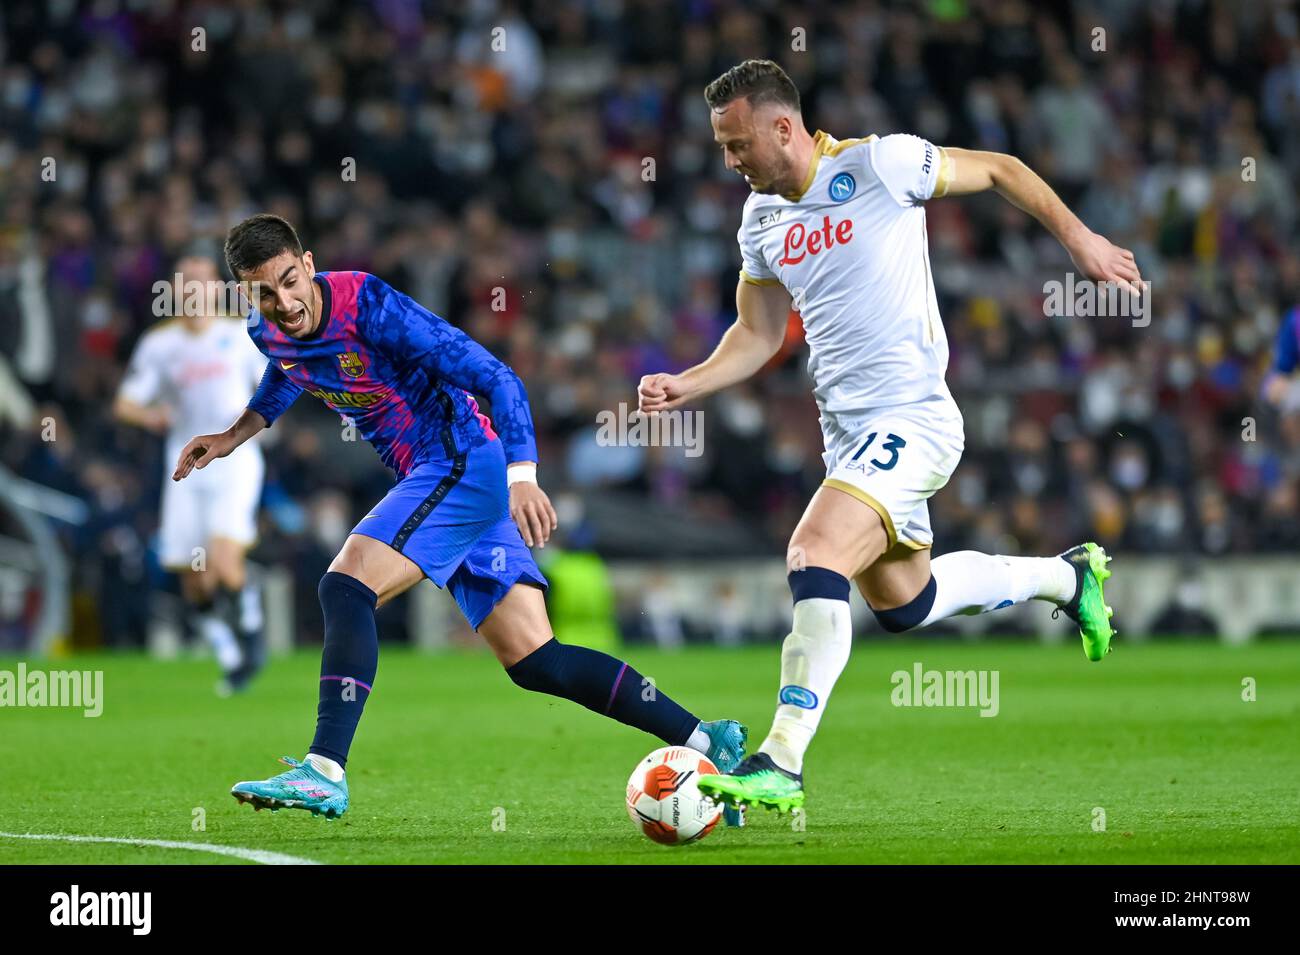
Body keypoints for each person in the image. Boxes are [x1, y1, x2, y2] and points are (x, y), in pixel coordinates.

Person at [636, 60, 1137, 813]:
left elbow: (999, 168)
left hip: (914, 418)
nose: (730, 161)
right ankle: (1069, 578)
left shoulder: (880, 163)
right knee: (907, 600)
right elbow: (757, 331)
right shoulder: (760, 222)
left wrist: (1081, 239)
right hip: (849, 437)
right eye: (722, 147)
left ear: (783, 127)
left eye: (738, 144)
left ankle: (782, 759)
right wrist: (689, 382)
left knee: (813, 550)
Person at [173, 214, 745, 820]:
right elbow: (289, 370)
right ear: (245, 293)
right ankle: (707, 740)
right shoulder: (267, 331)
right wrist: (236, 434)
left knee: (345, 586)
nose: (284, 303)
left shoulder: (369, 305)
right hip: (439, 478)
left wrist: (521, 475)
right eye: (264, 292)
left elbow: (500, 378)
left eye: (291, 281)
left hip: (459, 462)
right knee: (536, 661)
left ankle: (323, 770)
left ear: (309, 264)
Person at [115, 253, 267, 693]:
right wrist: (150, 417)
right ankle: (227, 650)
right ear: (175, 291)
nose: (195, 289)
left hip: (235, 459)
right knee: (195, 578)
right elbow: (126, 402)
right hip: (184, 466)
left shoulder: (242, 335)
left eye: (203, 281)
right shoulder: (160, 345)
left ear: (216, 289)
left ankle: (252, 633)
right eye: (187, 282)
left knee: (223, 559)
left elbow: (273, 382)